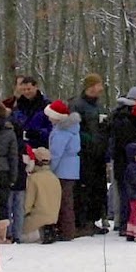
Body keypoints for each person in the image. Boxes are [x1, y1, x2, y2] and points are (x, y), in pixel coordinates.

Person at [108, 92, 136, 236]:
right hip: (125, 165)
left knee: (132, 196)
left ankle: (133, 222)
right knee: (127, 196)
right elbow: (125, 145)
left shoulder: (133, 123)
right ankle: (125, 223)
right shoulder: (127, 125)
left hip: (129, 164)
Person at [71, 75, 109, 235]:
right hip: (84, 154)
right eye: (98, 85)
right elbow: (75, 128)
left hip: (98, 154)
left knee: (97, 188)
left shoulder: (99, 106)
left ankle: (92, 220)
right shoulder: (77, 105)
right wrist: (89, 140)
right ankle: (81, 221)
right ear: (91, 86)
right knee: (83, 189)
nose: (101, 88)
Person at [45, 99, 81, 241]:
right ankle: (68, 229)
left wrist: (49, 168)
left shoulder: (61, 132)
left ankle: (66, 231)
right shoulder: (72, 129)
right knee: (67, 200)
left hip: (62, 169)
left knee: (63, 201)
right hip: (71, 169)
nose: (49, 118)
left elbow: (56, 153)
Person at [0, 103, 22, 242]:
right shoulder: (9, 132)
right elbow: (13, 156)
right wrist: (13, 176)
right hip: (3, 170)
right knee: (2, 205)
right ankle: (2, 236)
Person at [22, 147, 62, 244]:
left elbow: (26, 205)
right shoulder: (55, 179)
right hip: (52, 223)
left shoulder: (33, 179)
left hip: (34, 227)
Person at [8, 75, 51, 150]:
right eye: (24, 90)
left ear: (36, 87)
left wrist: (37, 133)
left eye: (29, 89)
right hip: (21, 146)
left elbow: (52, 128)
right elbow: (14, 122)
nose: (26, 92)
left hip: (41, 146)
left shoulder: (46, 105)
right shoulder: (18, 106)